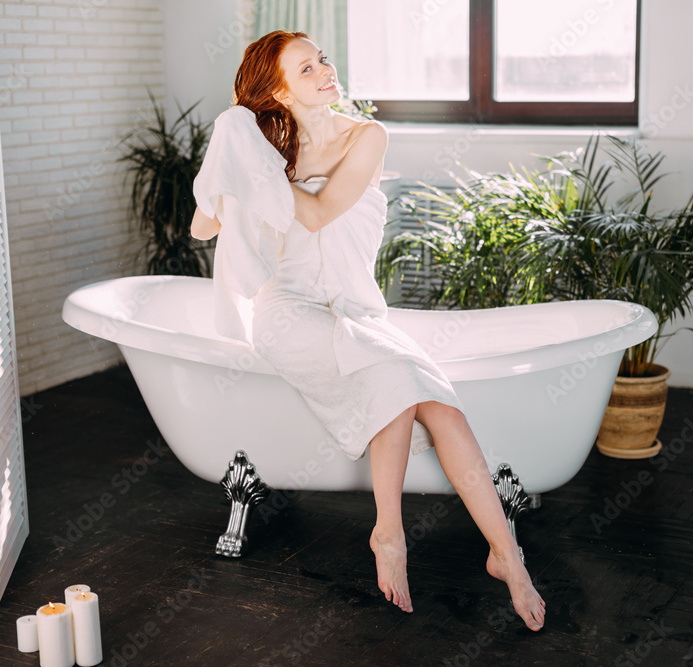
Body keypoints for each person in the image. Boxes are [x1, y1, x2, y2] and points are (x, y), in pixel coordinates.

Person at [191, 30, 545, 632]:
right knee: (396, 382)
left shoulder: (365, 137)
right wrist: (235, 148)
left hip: (357, 310)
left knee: (444, 411)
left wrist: (263, 169)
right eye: (307, 69)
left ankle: (505, 555)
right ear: (277, 89)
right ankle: (389, 534)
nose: (326, 70)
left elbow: (325, 210)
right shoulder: (264, 147)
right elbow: (205, 227)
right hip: (288, 311)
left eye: (322, 59)